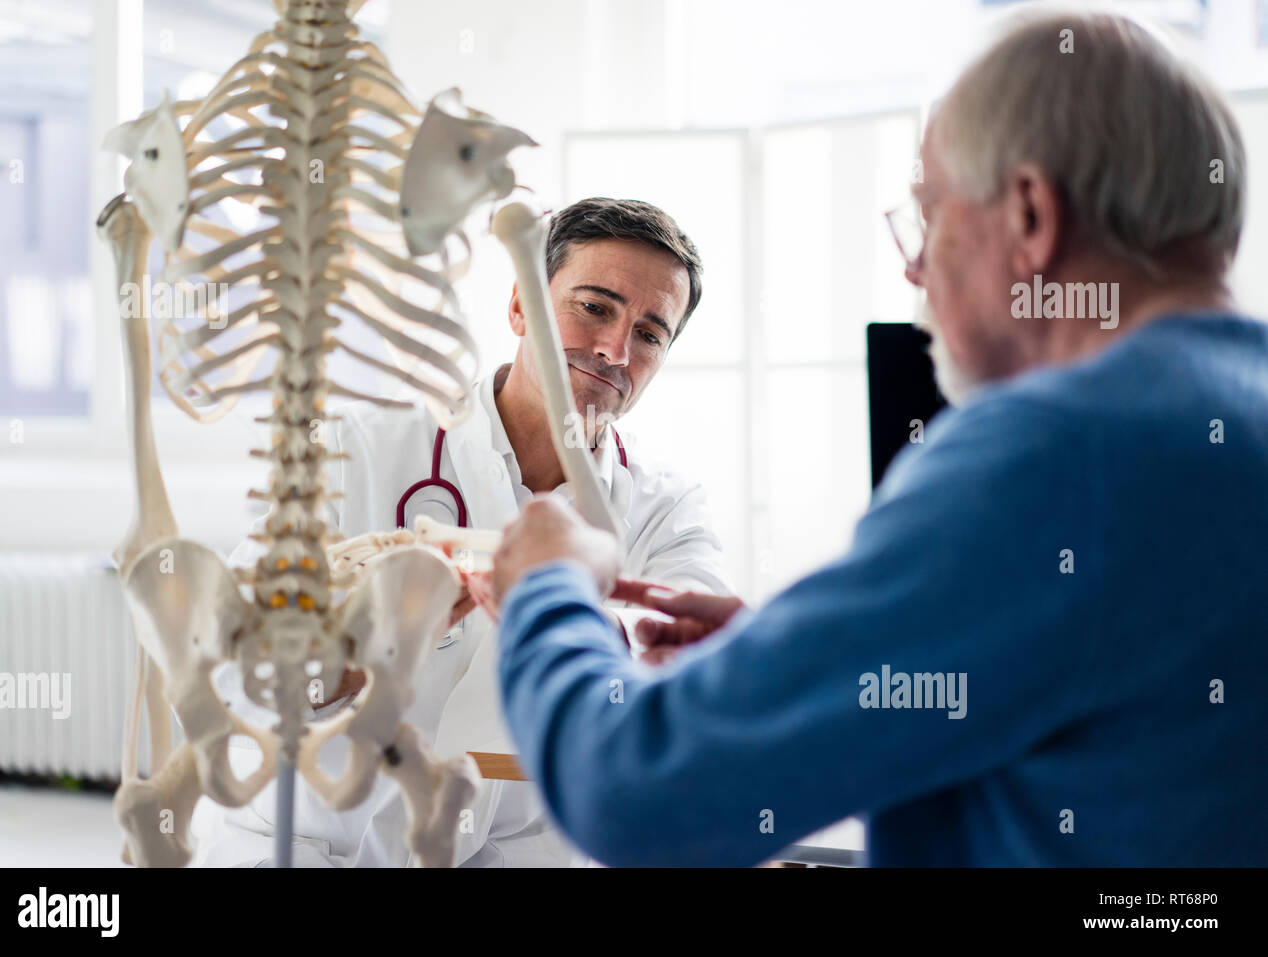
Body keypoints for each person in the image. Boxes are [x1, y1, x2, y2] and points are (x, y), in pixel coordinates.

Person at [488, 10, 1268, 866]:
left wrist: (547, 585)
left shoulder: (1052, 453)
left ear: (1031, 215)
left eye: (929, 219)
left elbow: (632, 788)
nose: (912, 267)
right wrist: (818, 668)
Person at [191, 197, 732, 867]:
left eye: (649, 334)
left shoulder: (664, 507)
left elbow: (699, 675)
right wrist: (352, 652)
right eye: (594, 307)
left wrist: (572, 613)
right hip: (306, 845)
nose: (614, 349)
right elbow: (231, 664)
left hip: (507, 853)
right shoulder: (354, 449)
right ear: (520, 306)